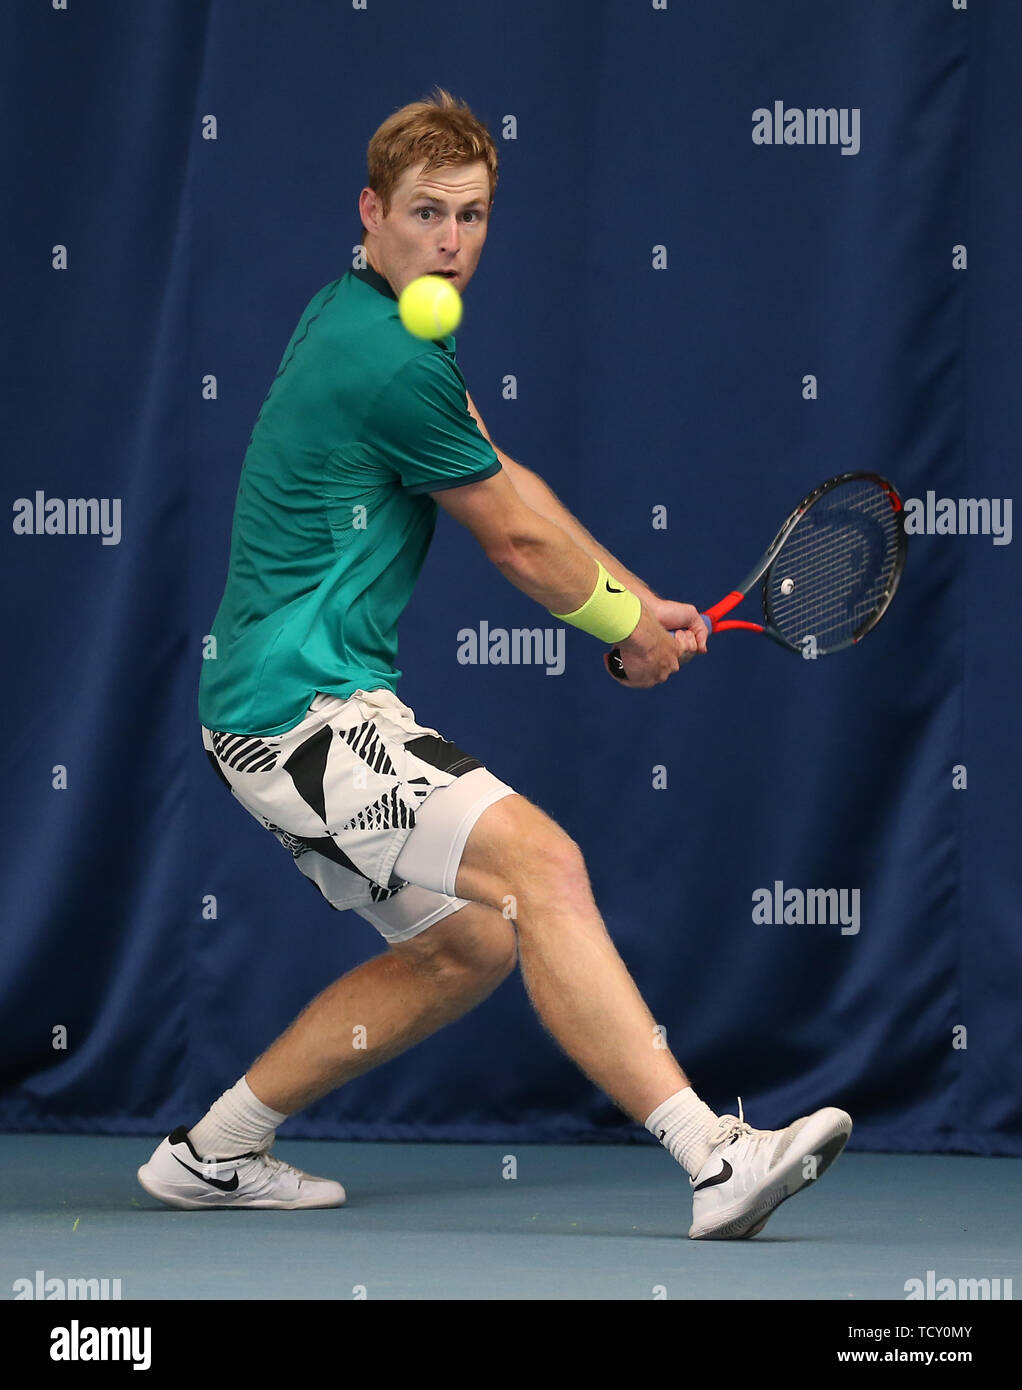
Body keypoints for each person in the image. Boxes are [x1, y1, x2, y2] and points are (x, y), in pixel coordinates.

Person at [137, 87, 851, 1239]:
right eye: (425, 213)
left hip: (298, 705)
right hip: (294, 713)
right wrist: (620, 629)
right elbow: (510, 538)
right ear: (370, 212)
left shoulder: (383, 319)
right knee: (543, 866)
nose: (450, 242)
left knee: (463, 945)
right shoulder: (385, 354)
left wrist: (634, 605)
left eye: (470, 217)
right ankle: (711, 1152)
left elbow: (506, 485)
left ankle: (211, 1152)